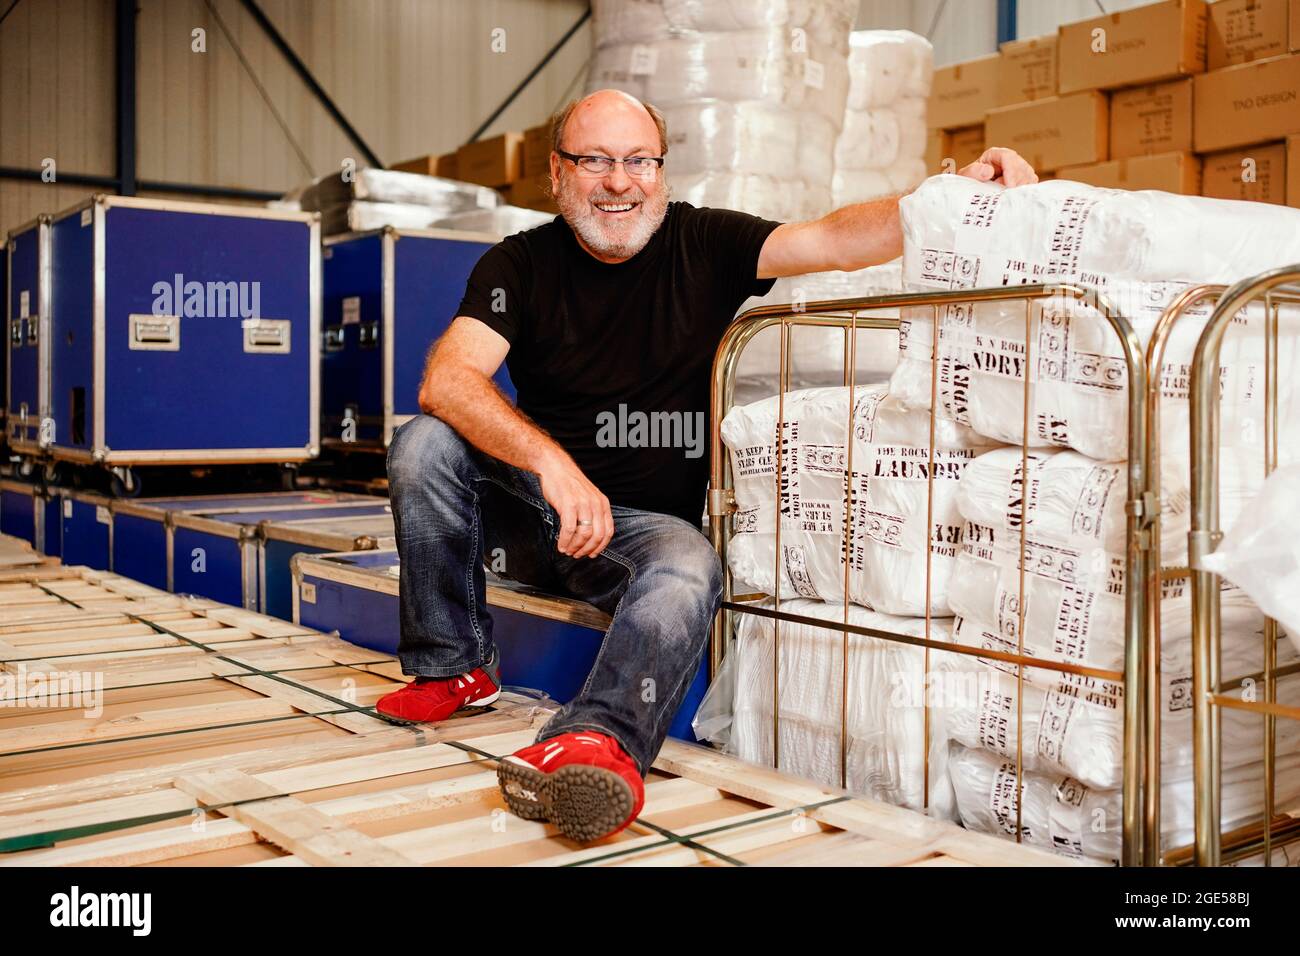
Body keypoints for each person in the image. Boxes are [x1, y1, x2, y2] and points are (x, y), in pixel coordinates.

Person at [377, 89, 1038, 843]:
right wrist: (552, 466)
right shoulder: (518, 264)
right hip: (534, 513)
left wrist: (944, 197)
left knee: (690, 565)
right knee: (422, 441)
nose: (618, 181)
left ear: (661, 171)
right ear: (558, 174)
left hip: (637, 535)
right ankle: (453, 666)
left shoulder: (706, 245)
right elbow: (447, 380)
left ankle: (598, 740)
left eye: (637, 161)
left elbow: (832, 240)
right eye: (594, 160)